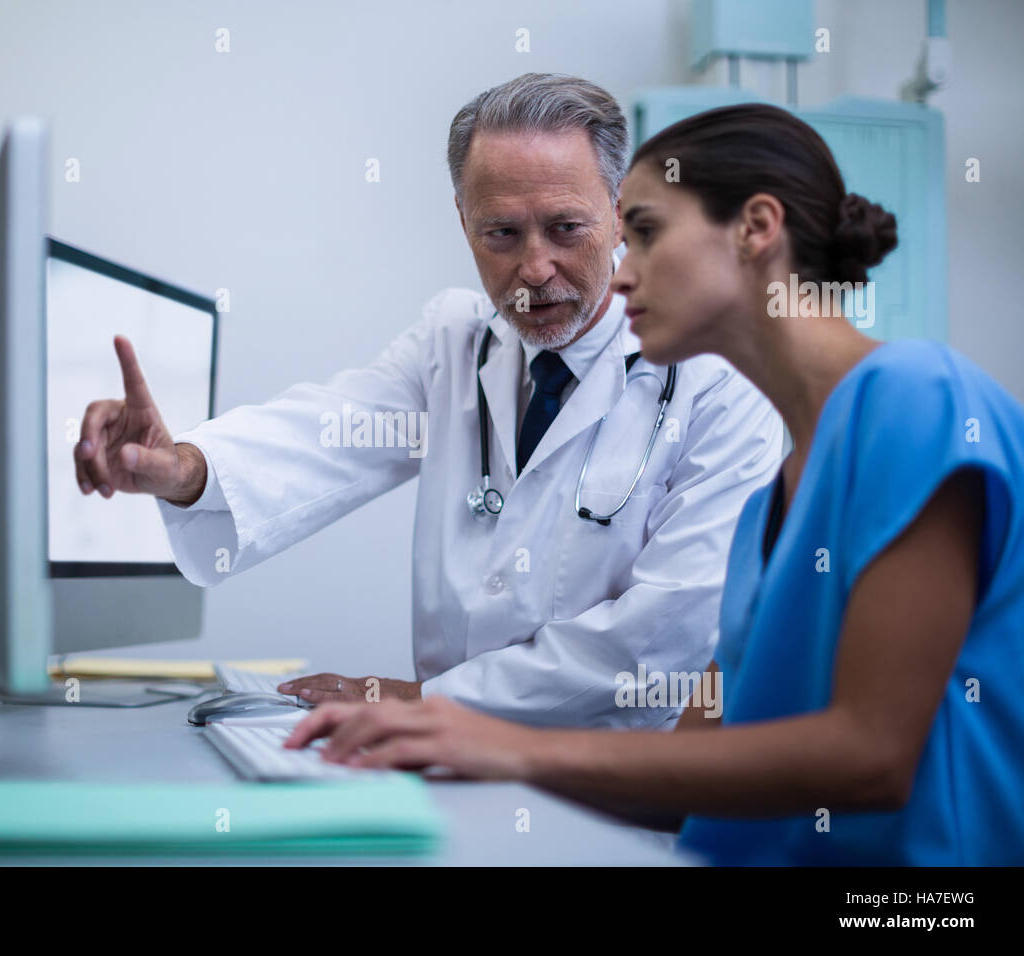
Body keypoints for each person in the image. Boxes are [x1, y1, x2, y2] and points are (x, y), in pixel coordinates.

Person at [286, 102, 1024, 866]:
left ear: (756, 228)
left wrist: (502, 743)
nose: (621, 267)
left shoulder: (918, 399)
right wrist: (437, 749)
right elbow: (687, 778)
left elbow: (870, 755)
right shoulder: (773, 504)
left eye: (643, 232)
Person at [75, 74, 782, 728]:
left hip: (610, 797)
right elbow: (327, 436)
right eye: (501, 233)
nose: (534, 270)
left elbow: (663, 637)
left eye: (566, 228)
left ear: (621, 207)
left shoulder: (719, 379)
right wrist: (186, 468)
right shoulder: (456, 340)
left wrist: (421, 701)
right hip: (444, 766)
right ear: (462, 218)